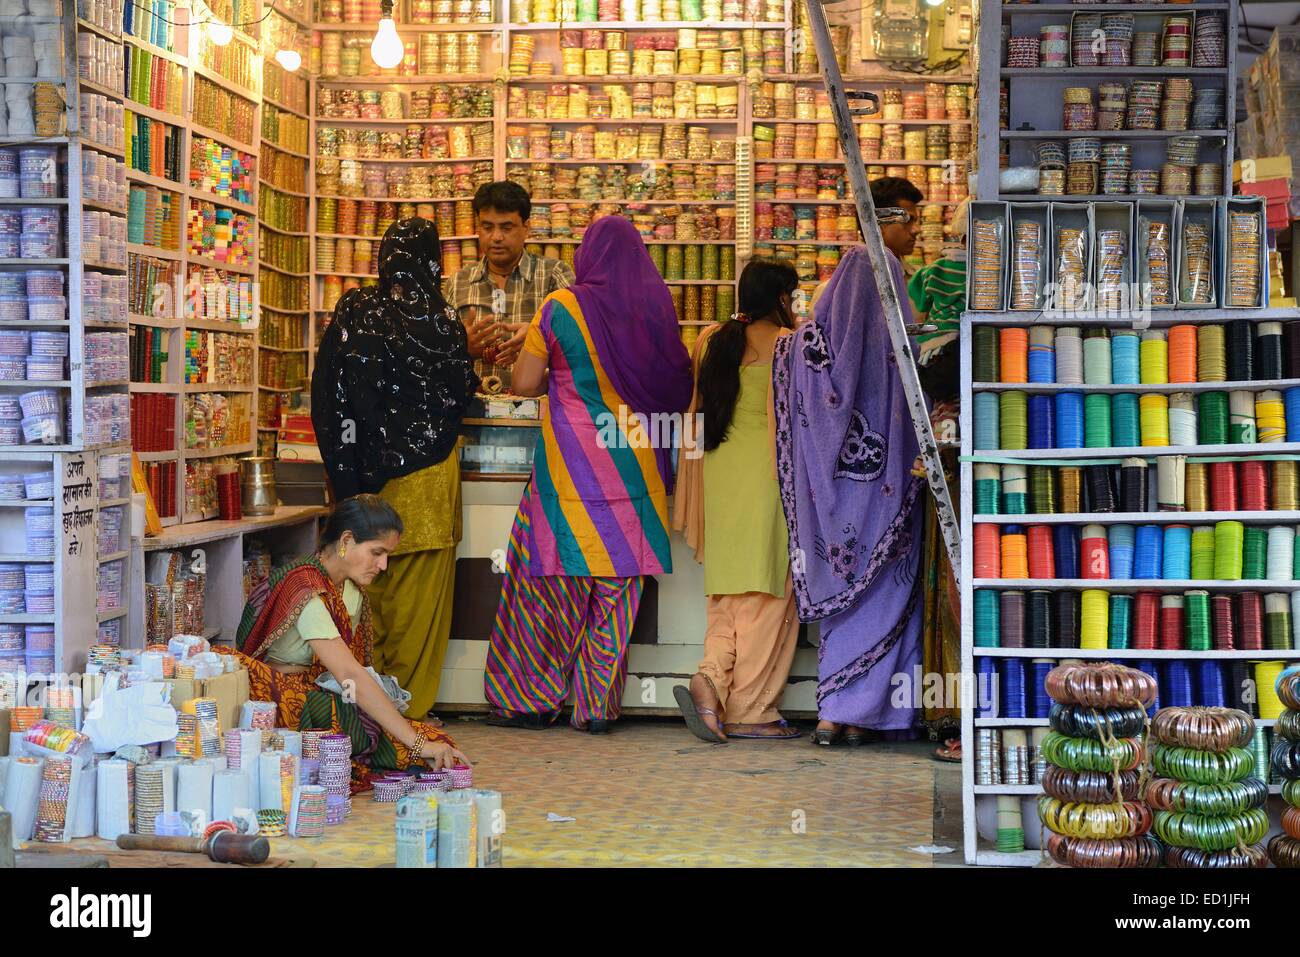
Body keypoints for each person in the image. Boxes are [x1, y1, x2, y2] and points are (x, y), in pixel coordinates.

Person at [483, 214, 692, 733]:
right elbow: (677, 381)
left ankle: (532, 701)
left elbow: (527, 384)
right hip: (636, 468)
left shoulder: (560, 308)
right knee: (618, 590)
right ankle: (596, 709)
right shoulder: (656, 308)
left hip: (572, 470)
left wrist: (532, 353)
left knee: (554, 588)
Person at [311, 218, 479, 724]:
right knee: (418, 606)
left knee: (361, 595)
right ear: (435, 264)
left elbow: (329, 395)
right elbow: (460, 393)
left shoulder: (355, 310)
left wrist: (347, 473)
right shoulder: (444, 326)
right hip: (426, 484)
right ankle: (404, 711)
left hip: (362, 481)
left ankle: (356, 703)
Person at [772, 245, 925, 747]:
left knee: (845, 602)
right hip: (893, 496)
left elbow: (799, 388)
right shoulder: (904, 343)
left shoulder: (808, 348)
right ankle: (870, 717)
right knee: (889, 596)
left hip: (833, 511)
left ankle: (831, 714)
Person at [225, 496, 470, 784]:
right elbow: (349, 673)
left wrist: (414, 737)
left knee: (433, 741)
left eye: (387, 554)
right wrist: (417, 743)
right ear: (346, 540)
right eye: (376, 552)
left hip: (326, 694)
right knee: (407, 744)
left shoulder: (349, 588)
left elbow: (353, 677)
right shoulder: (306, 588)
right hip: (290, 705)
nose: (383, 565)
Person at [672, 260, 802, 742]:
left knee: (728, 596)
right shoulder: (788, 345)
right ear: (781, 299)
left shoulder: (710, 339)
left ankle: (708, 681)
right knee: (769, 596)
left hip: (719, 478)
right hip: (769, 480)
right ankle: (752, 711)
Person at [908, 197, 968, 762]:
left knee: (954, 588)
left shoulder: (935, 345)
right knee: (962, 588)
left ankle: (959, 715)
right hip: (967, 470)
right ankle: (966, 716)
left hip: (951, 467)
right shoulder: (984, 327)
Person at [444, 181, 575, 393]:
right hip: (474, 412)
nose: (496, 237)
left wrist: (539, 341)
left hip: (537, 414)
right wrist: (463, 349)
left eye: (506, 227)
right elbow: (438, 357)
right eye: (487, 227)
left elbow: (581, 347)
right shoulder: (458, 283)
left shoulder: (555, 276)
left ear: (526, 228)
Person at [869, 176, 924, 276]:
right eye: (906, 221)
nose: (916, 230)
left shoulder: (909, 274)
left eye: (915, 221)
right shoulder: (864, 273)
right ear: (880, 223)